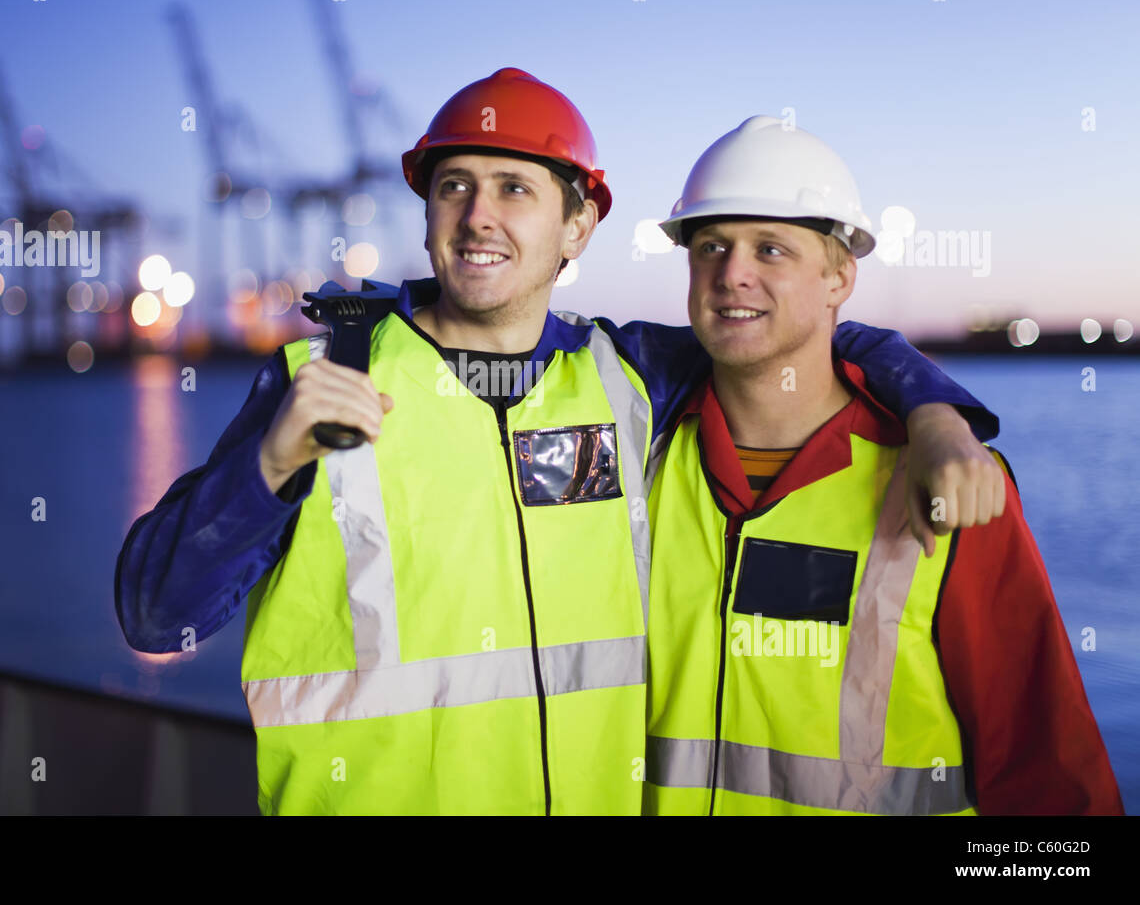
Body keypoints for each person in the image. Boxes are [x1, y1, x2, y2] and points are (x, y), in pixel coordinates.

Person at [115, 69, 1004, 815]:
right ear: (426, 212)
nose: (479, 216)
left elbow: (792, 330)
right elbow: (156, 615)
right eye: (454, 185)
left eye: (515, 189)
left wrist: (934, 415)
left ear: (577, 227)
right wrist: (272, 463)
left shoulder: (627, 377)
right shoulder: (322, 375)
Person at [643, 115, 1124, 815]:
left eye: (771, 250)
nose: (731, 274)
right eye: (710, 245)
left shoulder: (945, 484)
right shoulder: (638, 460)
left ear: (840, 277)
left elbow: (1046, 774)